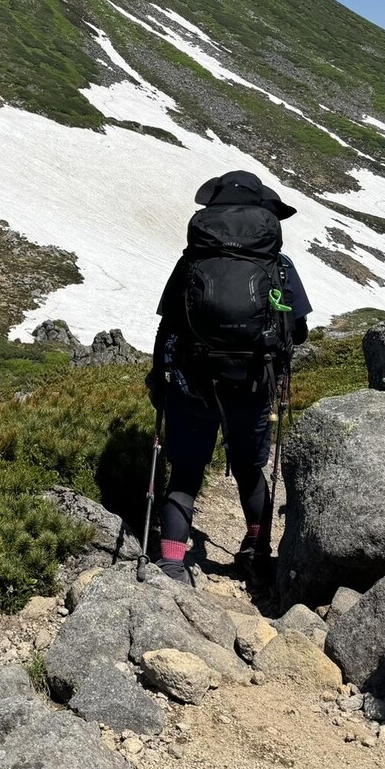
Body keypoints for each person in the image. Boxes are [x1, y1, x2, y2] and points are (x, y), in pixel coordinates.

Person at [144, 170, 312, 582]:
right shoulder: (278, 265)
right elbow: (299, 331)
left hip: (192, 384)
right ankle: (256, 550)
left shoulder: (192, 262)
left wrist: (160, 379)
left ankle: (171, 563)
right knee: (250, 470)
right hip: (253, 384)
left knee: (185, 473)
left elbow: (169, 327)